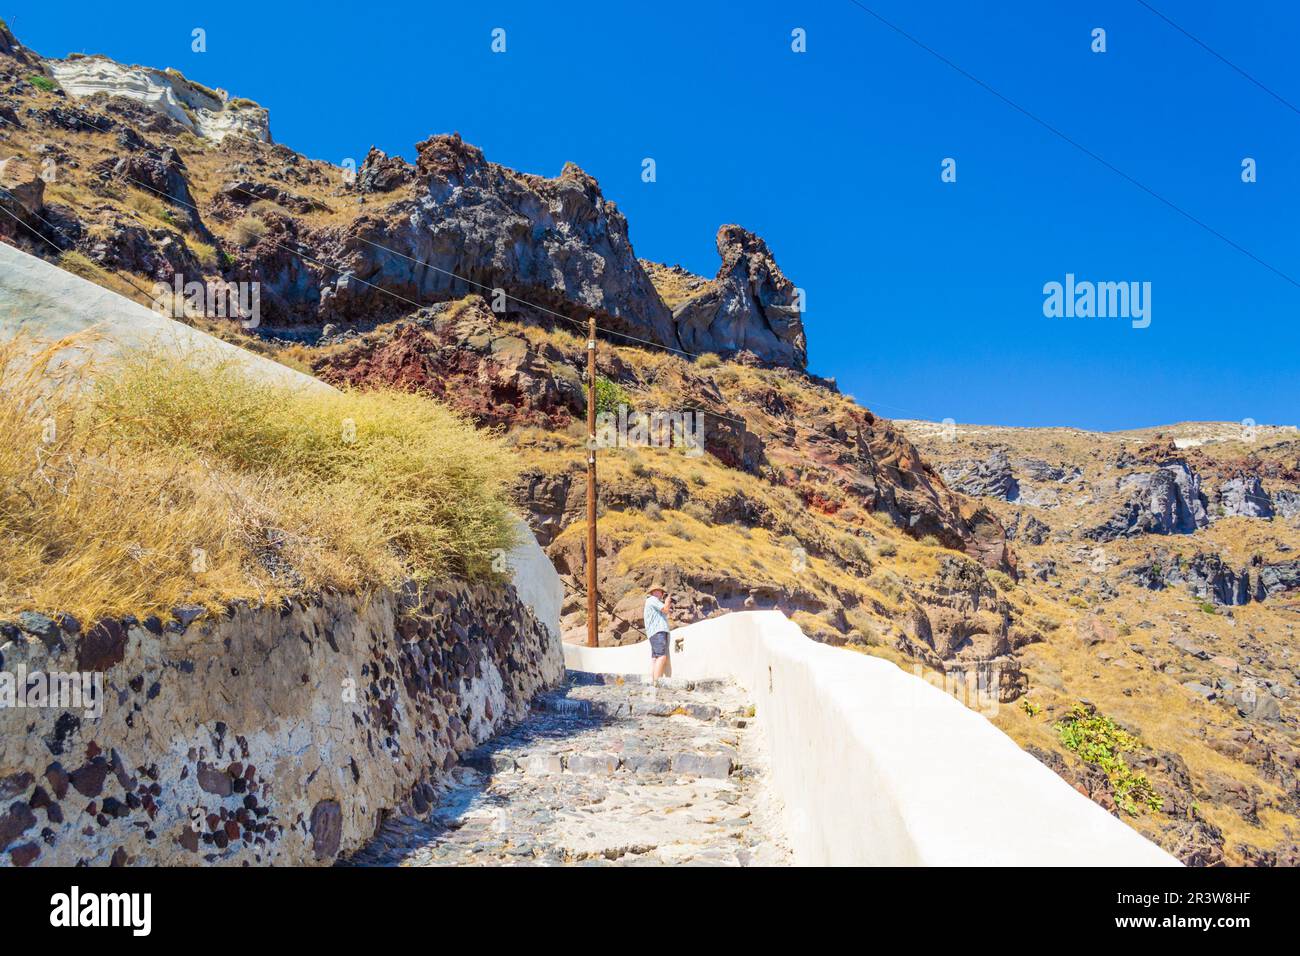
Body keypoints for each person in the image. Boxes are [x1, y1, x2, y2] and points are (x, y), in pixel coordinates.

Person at [643, 583, 672, 682]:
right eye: (660, 591)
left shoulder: (650, 601)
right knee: (662, 657)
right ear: (654, 592)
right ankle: (656, 683)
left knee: (655, 658)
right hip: (658, 631)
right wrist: (668, 601)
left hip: (653, 633)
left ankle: (653, 681)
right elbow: (666, 610)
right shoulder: (652, 600)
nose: (661, 593)